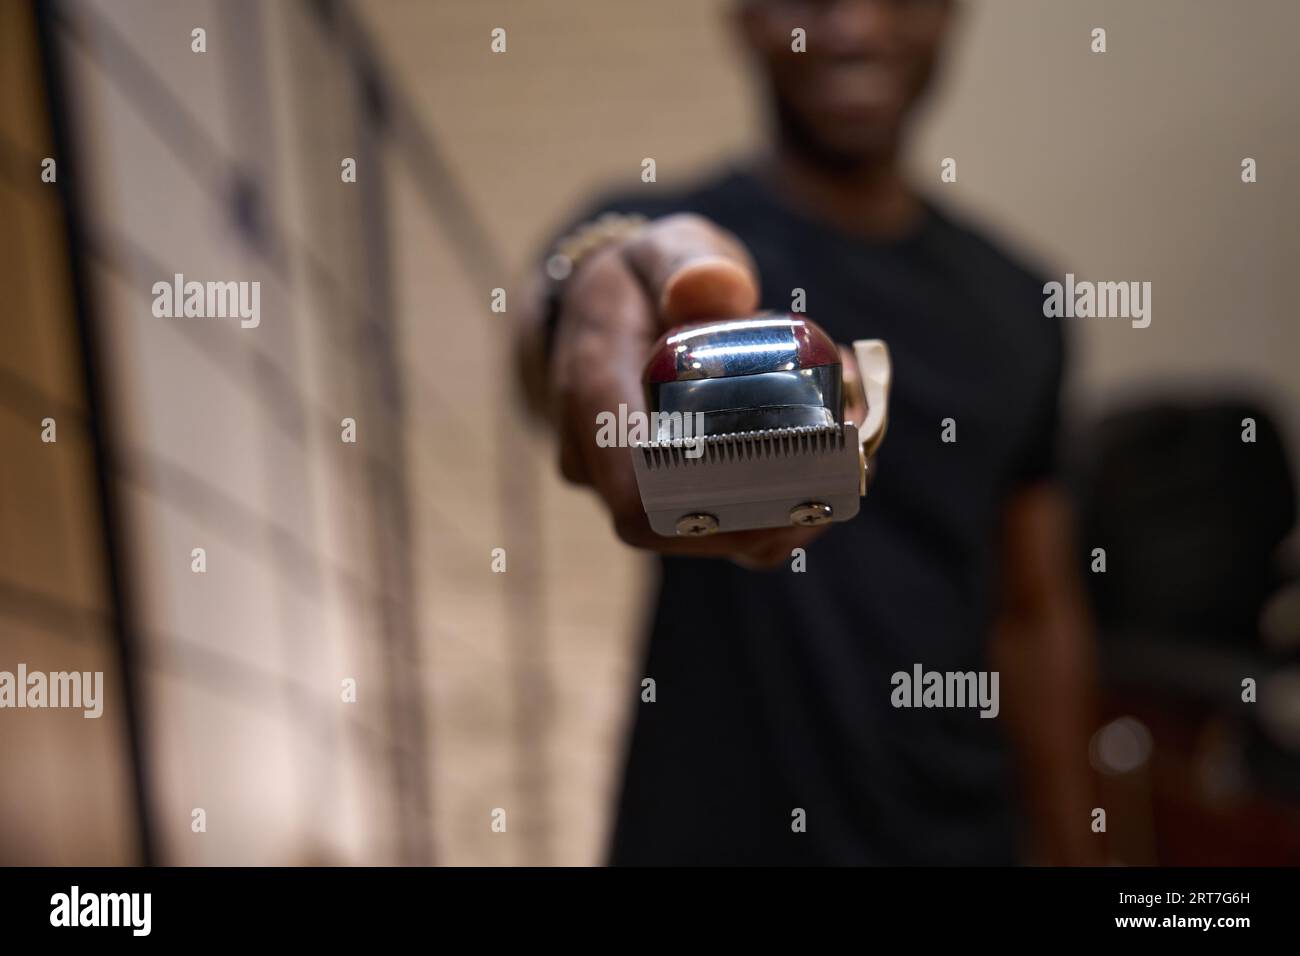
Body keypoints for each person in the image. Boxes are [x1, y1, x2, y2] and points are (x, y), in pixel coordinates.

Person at [517, 0, 1101, 864]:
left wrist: (1071, 841)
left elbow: (1035, 608)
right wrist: (584, 302)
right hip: (711, 830)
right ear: (746, 17)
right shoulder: (660, 233)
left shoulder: (1023, 303)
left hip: (960, 835)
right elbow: (561, 331)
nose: (857, 28)